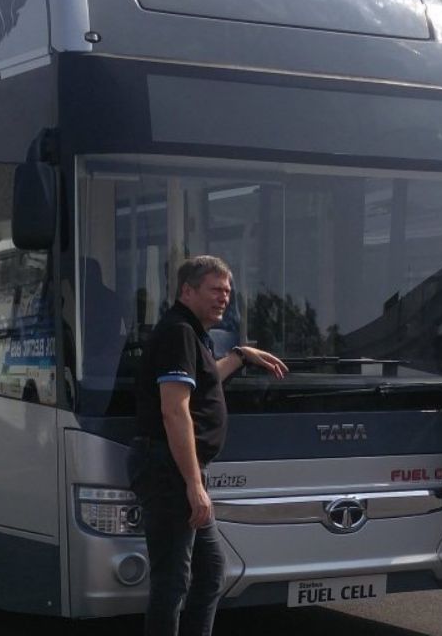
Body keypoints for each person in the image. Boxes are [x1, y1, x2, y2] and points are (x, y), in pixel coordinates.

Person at [128, 256, 287, 636]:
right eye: (215, 290)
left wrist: (240, 355)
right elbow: (174, 410)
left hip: (177, 469)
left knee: (211, 570)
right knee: (173, 581)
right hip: (168, 469)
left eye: (228, 292)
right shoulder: (178, 332)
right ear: (187, 290)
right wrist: (194, 484)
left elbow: (204, 378)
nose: (224, 299)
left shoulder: (191, 333)